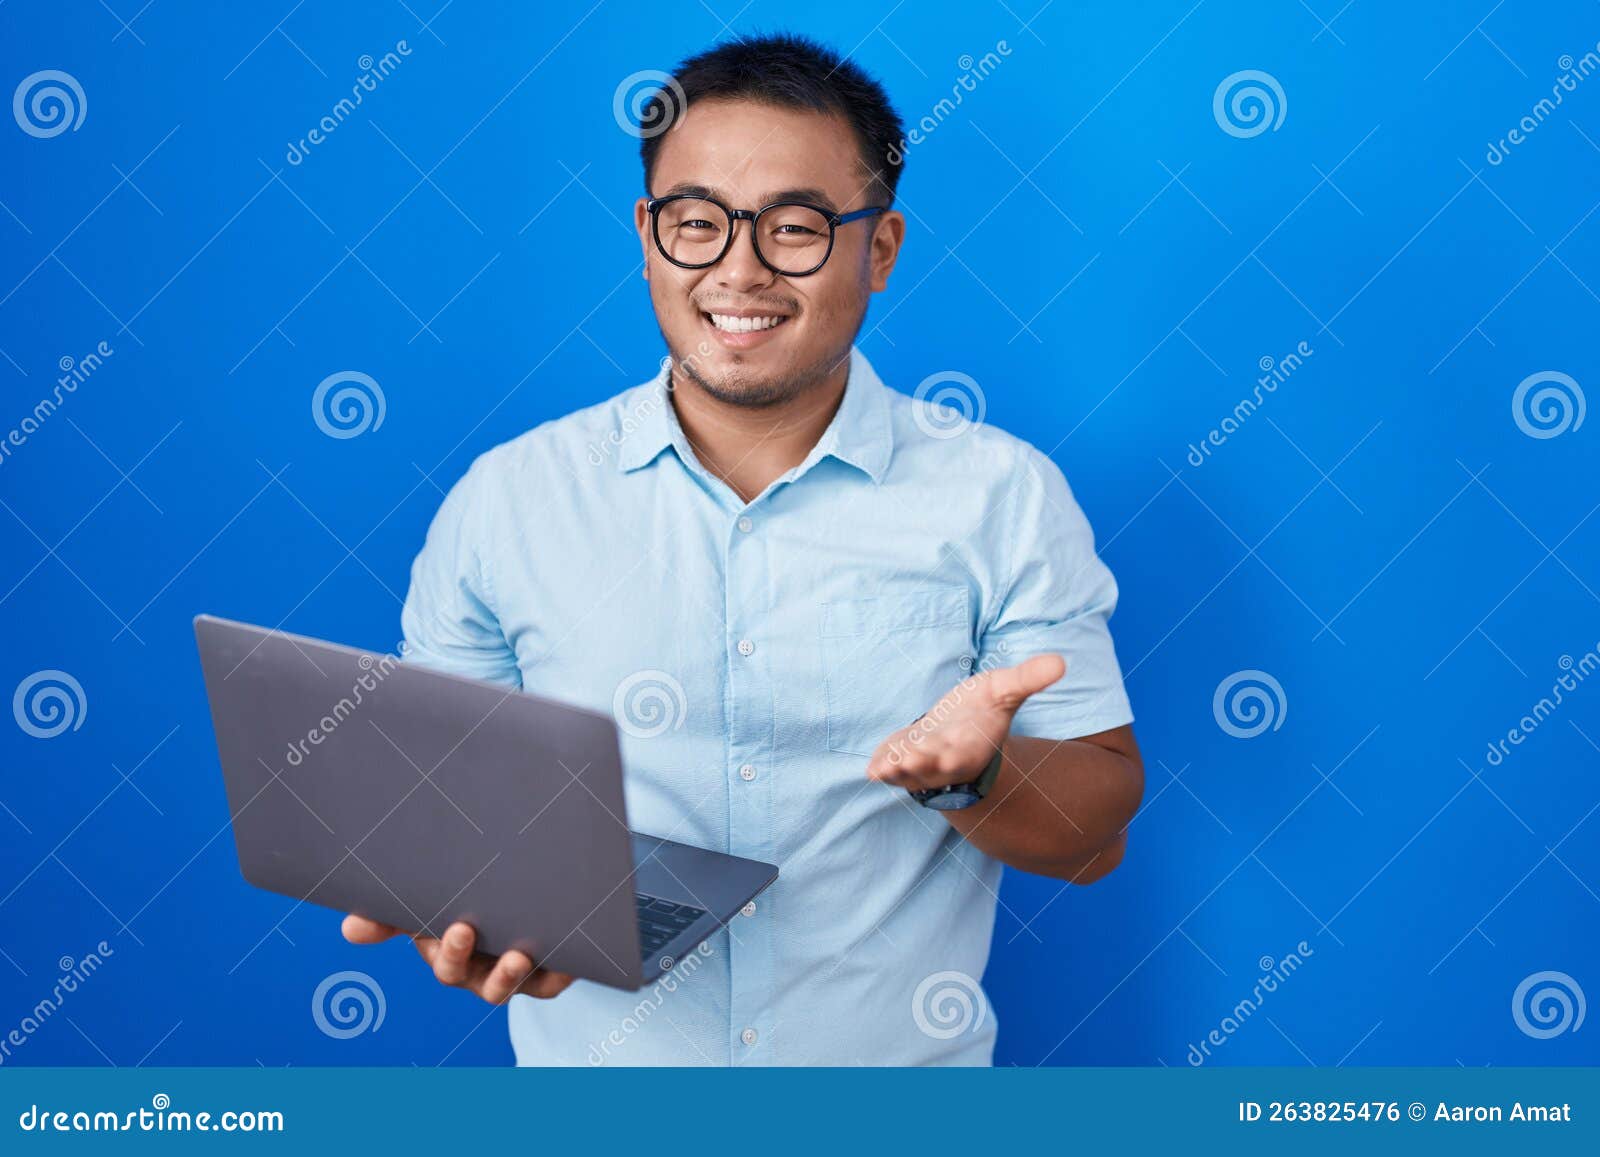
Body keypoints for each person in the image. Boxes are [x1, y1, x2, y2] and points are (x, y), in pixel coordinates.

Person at [342, 31, 1142, 1066]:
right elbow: (453, 813)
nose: (739, 269)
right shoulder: (509, 499)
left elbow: (1093, 842)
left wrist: (973, 775)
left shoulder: (1001, 495)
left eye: (796, 227)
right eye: (696, 222)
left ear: (880, 248)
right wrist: (471, 914)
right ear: (648, 235)